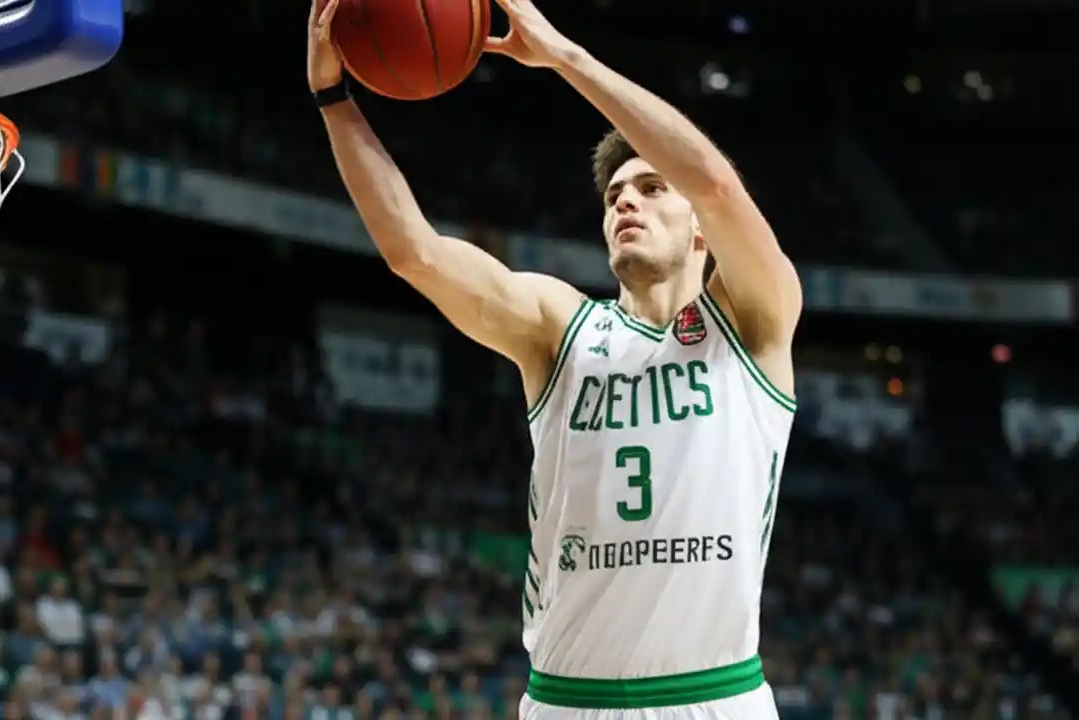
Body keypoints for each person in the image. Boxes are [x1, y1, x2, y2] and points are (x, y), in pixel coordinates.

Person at [307, 0, 802, 717]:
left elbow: (717, 184)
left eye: (651, 188)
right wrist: (332, 100)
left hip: (712, 700)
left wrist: (567, 58)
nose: (625, 203)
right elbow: (412, 250)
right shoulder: (559, 328)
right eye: (613, 195)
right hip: (566, 701)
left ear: (699, 228)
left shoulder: (754, 320)